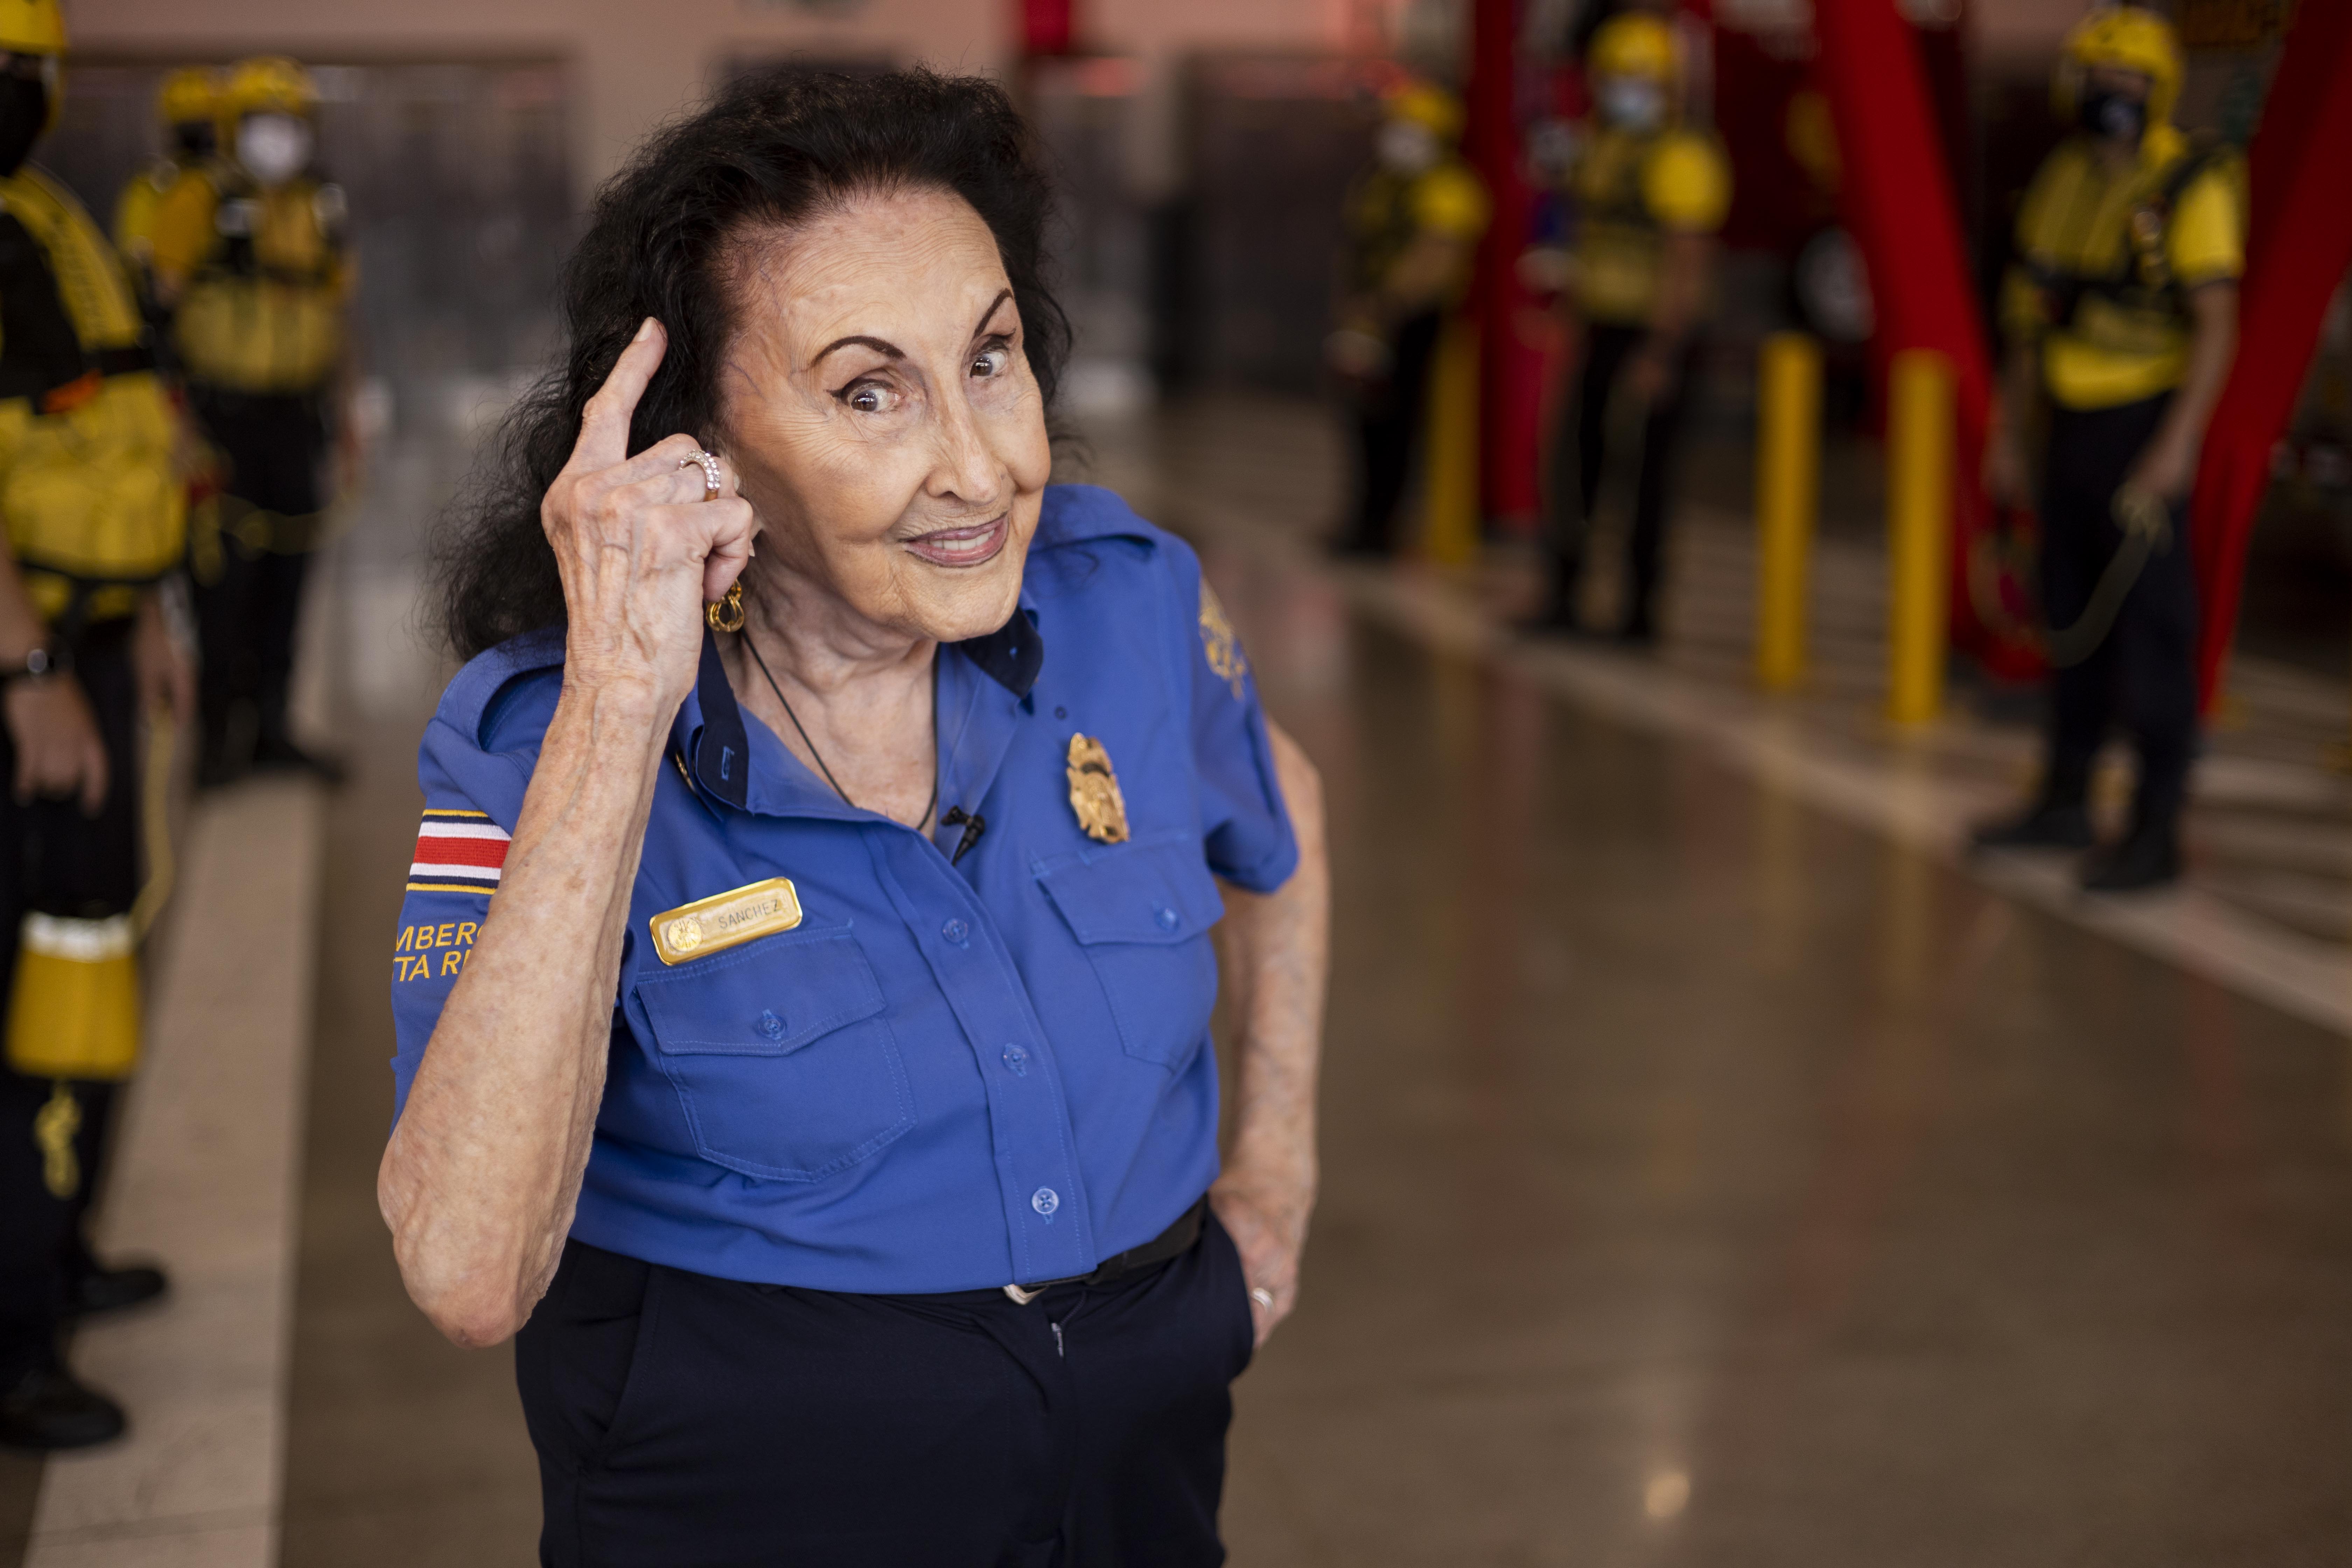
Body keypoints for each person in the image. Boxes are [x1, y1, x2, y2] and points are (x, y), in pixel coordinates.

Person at [379, 69, 1330, 1564]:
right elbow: (468, 1266)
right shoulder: (542, 735)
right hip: (759, 1477)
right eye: (868, 390)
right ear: (704, 446)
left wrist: (1272, 1183)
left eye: (992, 358)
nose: (983, 464)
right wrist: (623, 700)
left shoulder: (1123, 599)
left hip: (1141, 1441)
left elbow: (1289, 819)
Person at [0, 0, 191, 1451]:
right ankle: (10, 1346)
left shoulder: (38, 217)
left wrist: (158, 618)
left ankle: (47, 1264)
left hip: (95, 637)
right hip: (30, 661)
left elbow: (109, 433)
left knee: (75, 953)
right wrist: (26, 668)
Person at [1972, 6, 2240, 893]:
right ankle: (2065, 795)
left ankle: (2157, 827)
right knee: (2069, 618)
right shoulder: (2062, 179)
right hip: (2070, 426)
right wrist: (2011, 435)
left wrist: (2177, 447)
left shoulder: (2189, 186)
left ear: (2158, 93)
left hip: (2143, 428)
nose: (2111, 98)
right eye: (2099, 80)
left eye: (2129, 84)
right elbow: (2029, 320)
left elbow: (2215, 324)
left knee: (2155, 634)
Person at [146, 55, 350, 788]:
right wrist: (171, 426)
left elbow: (335, 314)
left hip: (297, 416)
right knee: (222, 581)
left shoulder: (318, 205)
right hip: (219, 418)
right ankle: (215, 741)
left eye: (292, 122)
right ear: (235, 126)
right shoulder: (197, 198)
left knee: (290, 576)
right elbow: (157, 316)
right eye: (267, 121)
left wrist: (349, 419)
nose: (281, 137)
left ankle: (272, 729)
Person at [1525, 10, 1728, 643]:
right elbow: (1585, 239)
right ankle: (1567, 593)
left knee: (1645, 476)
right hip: (1601, 328)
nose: (1624, 91)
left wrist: (1660, 352)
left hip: (1653, 335)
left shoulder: (1683, 159)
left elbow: (1687, 261)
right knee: (1578, 463)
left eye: (1637, 79)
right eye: (1615, 78)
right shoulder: (1603, 148)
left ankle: (1639, 613)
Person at [1326, 79, 1488, 558]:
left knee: (1402, 425)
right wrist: (1353, 308)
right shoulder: (1378, 185)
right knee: (1364, 422)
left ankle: (1389, 527)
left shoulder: (1450, 189)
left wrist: (1387, 304)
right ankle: (1364, 520)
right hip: (1368, 317)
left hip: (1416, 321)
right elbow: (1355, 247)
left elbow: (1436, 257)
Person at [112, 65, 219, 324]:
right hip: (165, 314)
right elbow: (135, 253)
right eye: (189, 128)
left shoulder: (224, 187)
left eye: (203, 126)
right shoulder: (155, 185)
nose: (197, 138)